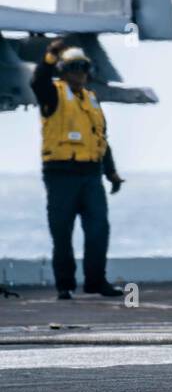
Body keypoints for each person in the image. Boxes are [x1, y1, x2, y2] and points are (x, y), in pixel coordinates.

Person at [31, 39, 125, 300]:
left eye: (83, 68)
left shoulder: (92, 100)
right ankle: (65, 285)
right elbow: (37, 82)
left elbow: (101, 140)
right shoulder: (53, 95)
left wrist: (111, 172)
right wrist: (49, 57)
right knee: (62, 232)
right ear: (63, 70)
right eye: (73, 68)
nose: (79, 74)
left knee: (98, 230)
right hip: (61, 175)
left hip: (91, 175)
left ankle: (96, 281)